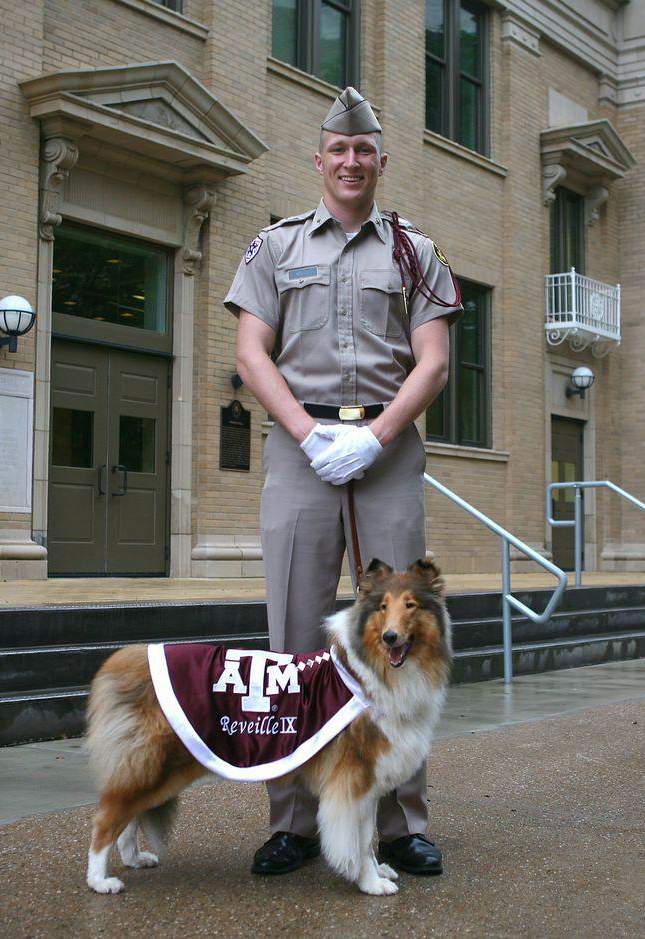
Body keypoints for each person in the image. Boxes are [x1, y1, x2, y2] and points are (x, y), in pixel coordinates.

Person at [224, 87, 462, 878]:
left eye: (364, 150)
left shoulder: (414, 252)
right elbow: (251, 352)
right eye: (338, 149)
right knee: (293, 637)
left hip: (386, 449)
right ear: (319, 159)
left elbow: (433, 359)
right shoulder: (275, 247)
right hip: (302, 448)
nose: (351, 161)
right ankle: (293, 819)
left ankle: (399, 825)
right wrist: (306, 432)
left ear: (381, 162)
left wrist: (376, 435)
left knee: (400, 637)